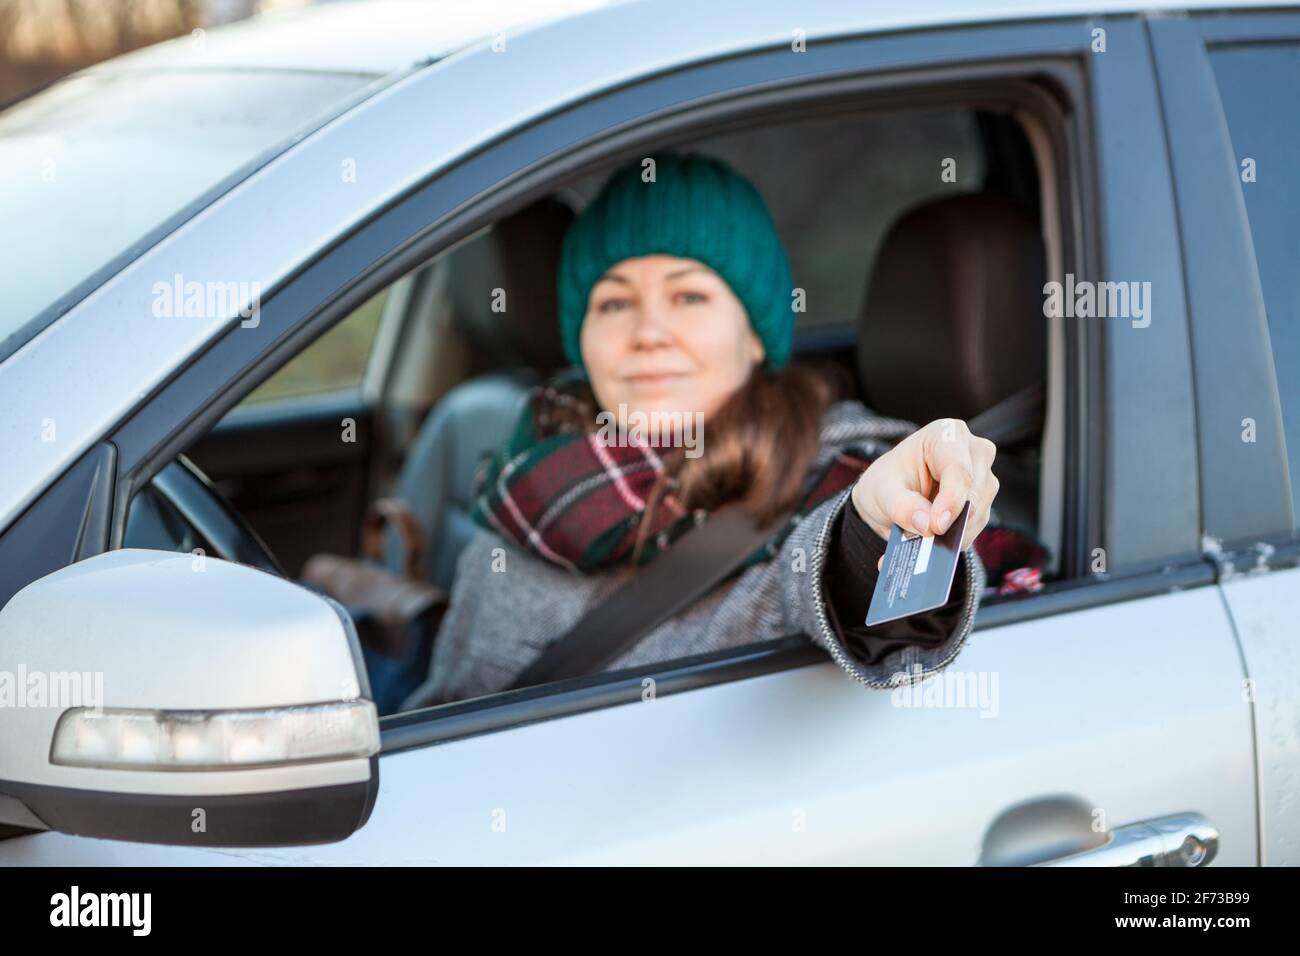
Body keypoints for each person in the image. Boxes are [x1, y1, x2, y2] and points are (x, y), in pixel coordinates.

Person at [399, 150, 998, 710]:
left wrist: (876, 531)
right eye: (613, 303)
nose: (649, 332)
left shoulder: (828, 470)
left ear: (756, 333)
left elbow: (847, 589)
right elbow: (450, 699)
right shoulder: (525, 476)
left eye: (688, 296)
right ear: (580, 338)